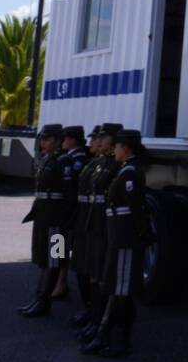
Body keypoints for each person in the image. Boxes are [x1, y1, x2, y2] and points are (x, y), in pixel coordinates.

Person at [82, 128, 147, 358]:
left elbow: (136, 209)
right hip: (114, 234)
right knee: (114, 286)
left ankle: (118, 339)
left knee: (121, 289)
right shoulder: (122, 169)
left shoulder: (130, 172)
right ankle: (103, 331)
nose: (114, 150)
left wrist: (141, 235)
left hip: (124, 237)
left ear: (126, 148)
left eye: (117, 146)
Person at [73, 123, 121, 339]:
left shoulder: (113, 166)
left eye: (101, 138)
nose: (95, 142)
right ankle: (90, 312)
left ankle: (55, 288)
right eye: (95, 138)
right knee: (79, 264)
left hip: (97, 223)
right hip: (80, 220)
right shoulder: (94, 163)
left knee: (92, 270)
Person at [19, 123, 64, 317]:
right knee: (44, 258)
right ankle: (39, 298)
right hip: (45, 216)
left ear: (55, 140)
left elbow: (69, 195)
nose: (42, 143)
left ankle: (44, 300)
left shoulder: (64, 162)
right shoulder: (48, 159)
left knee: (54, 259)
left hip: (58, 221)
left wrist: (65, 221)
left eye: (46, 139)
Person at [52, 126, 90, 303]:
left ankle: (61, 282)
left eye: (65, 138)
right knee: (57, 246)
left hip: (70, 210)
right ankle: (56, 281)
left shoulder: (79, 159)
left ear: (73, 140)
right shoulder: (67, 157)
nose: (63, 141)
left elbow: (71, 185)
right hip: (61, 211)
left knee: (63, 247)